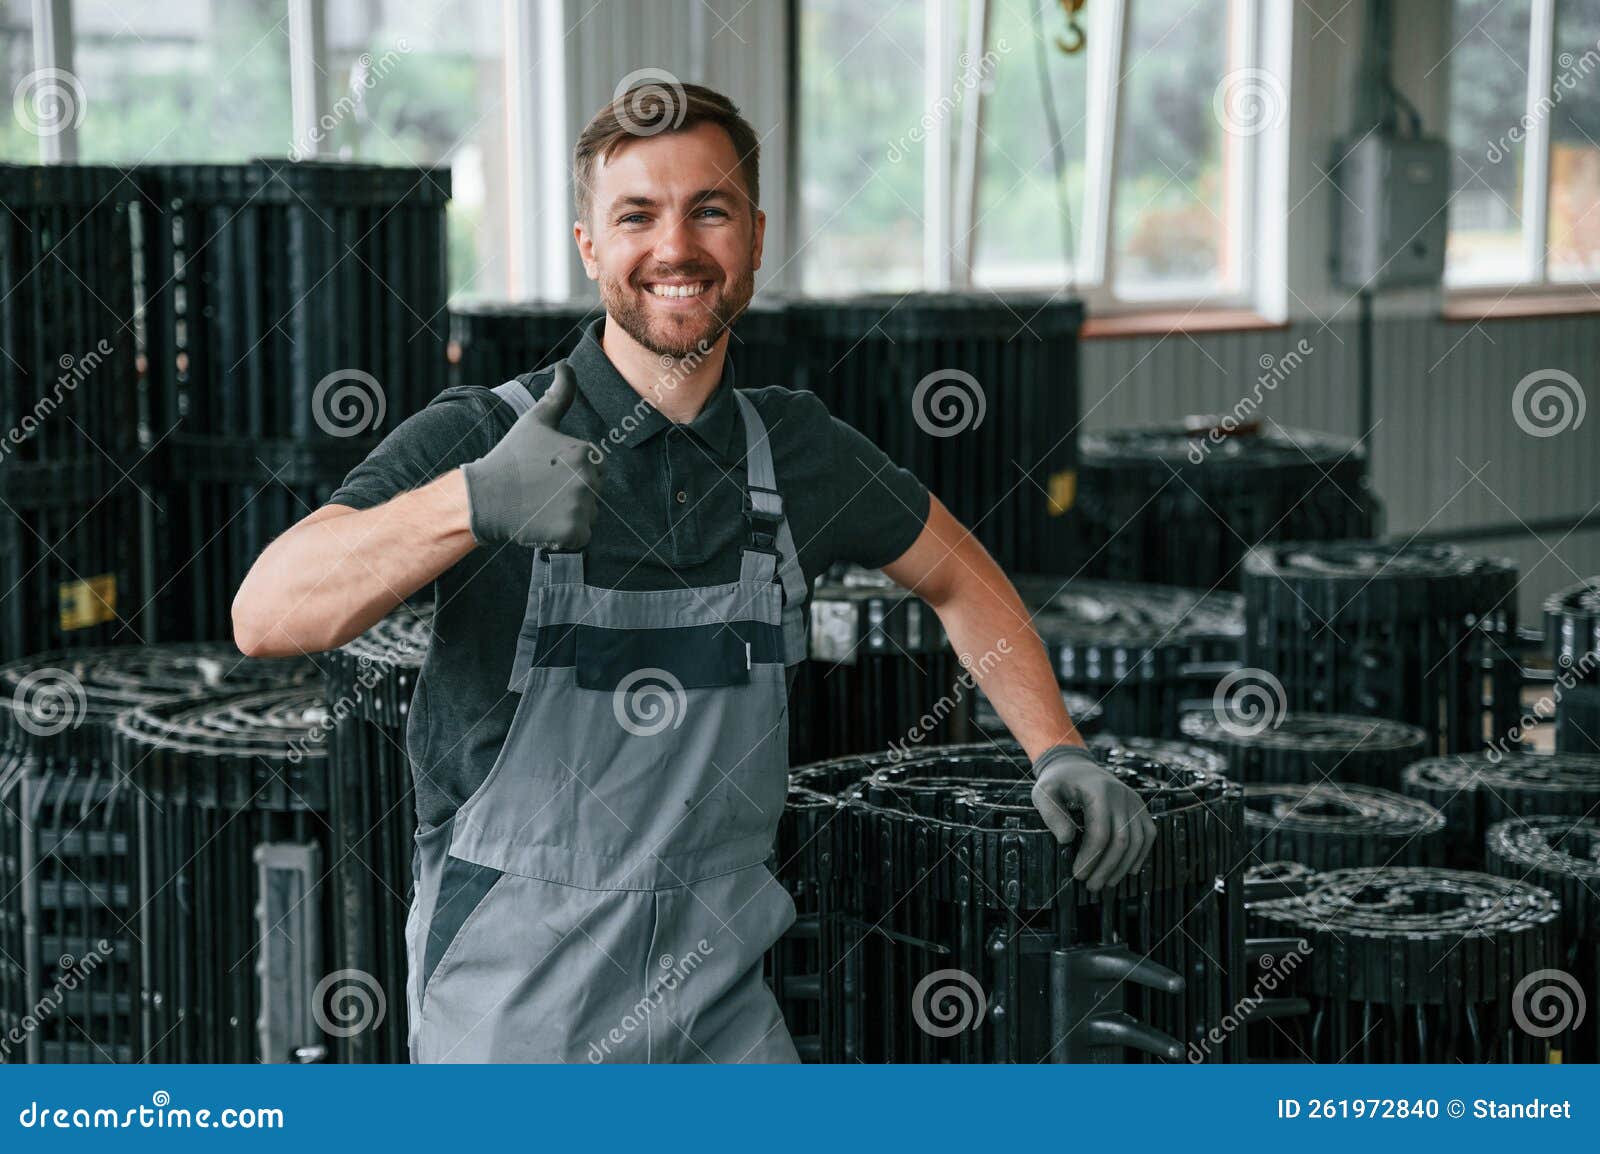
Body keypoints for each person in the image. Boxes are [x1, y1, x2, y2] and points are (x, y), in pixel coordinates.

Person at [232, 81, 1154, 1064]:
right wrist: (471, 501)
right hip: (517, 1018)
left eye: (707, 210)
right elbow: (267, 610)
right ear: (591, 245)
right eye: (637, 215)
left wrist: (1057, 748)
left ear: (752, 238)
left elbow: (963, 578)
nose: (675, 247)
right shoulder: (483, 433)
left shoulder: (797, 451)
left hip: (720, 1011)